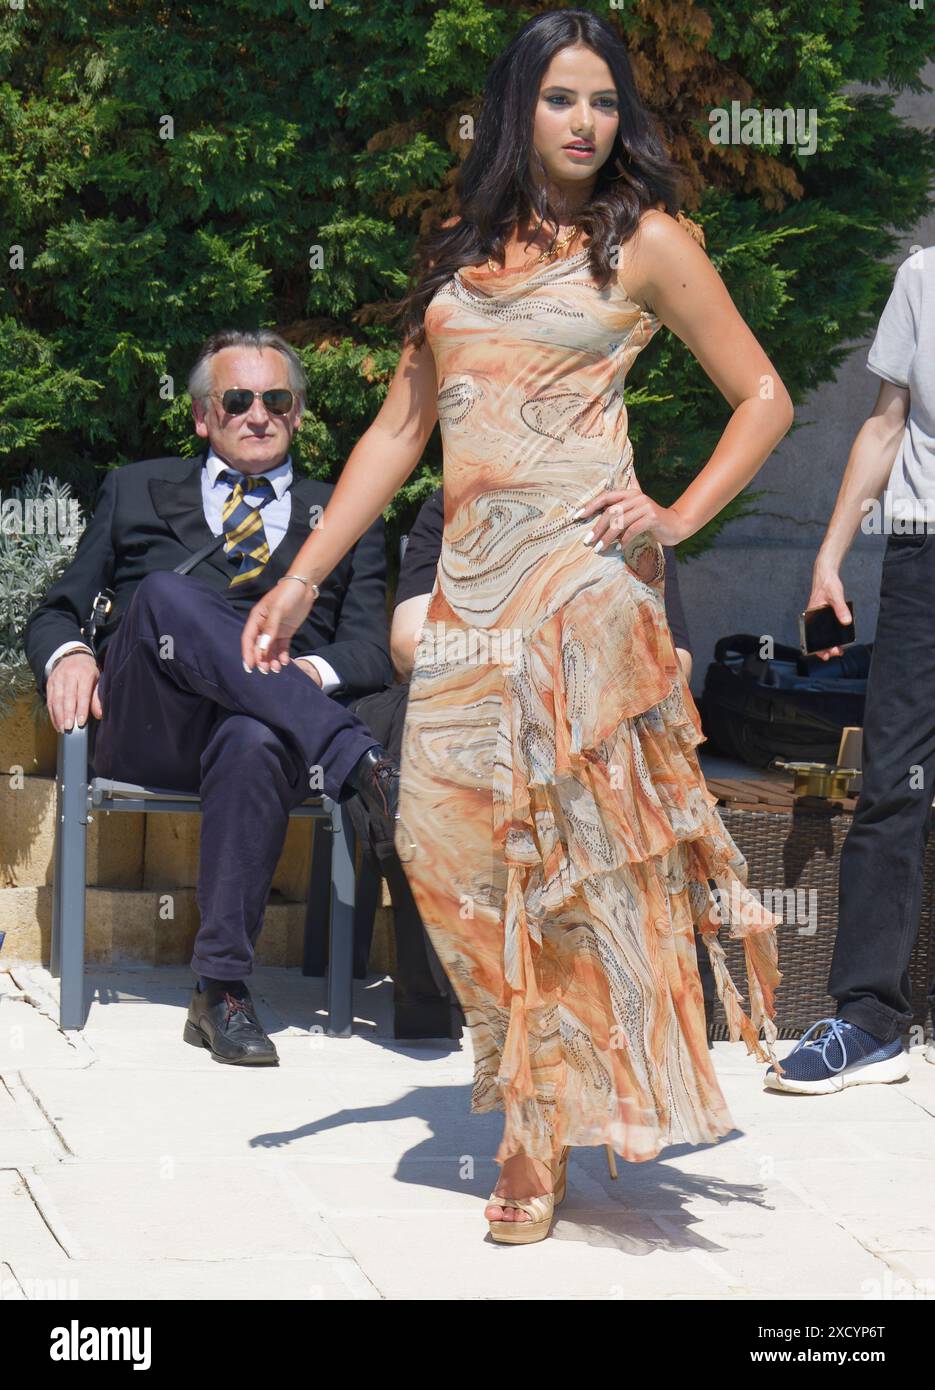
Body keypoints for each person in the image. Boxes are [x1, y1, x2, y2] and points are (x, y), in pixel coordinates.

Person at [239, 10, 793, 1244]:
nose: (586, 122)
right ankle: (544, 1065)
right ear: (514, 112)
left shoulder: (644, 244)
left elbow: (761, 393)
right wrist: (293, 575)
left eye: (603, 101)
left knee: (558, 858)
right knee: (437, 835)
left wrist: (671, 514)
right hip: (467, 597)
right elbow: (397, 432)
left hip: (583, 586)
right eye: (560, 100)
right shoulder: (456, 254)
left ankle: (534, 1131)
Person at [24, 329, 401, 1066]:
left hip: (268, 741)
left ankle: (221, 991)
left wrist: (303, 680)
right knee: (165, 595)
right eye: (236, 399)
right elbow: (57, 609)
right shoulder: (135, 487)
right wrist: (68, 654)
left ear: (296, 415)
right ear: (203, 416)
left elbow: (368, 651)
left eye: (276, 399)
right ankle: (357, 758)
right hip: (151, 721)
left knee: (254, 735)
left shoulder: (344, 513)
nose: (256, 414)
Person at [347, 485, 716, 1040]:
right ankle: (457, 993)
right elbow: (409, 646)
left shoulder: (627, 513)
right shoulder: (455, 506)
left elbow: (675, 663)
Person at [765, 243, 935, 1094]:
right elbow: (884, 422)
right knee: (891, 785)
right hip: (922, 555)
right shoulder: (921, 277)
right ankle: (867, 1019)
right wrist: (829, 556)